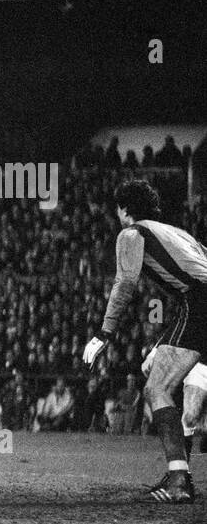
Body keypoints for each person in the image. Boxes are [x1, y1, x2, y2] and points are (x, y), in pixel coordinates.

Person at [83, 180, 207, 502]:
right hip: (196, 303)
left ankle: (179, 481)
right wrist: (160, 344)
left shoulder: (132, 233)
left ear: (124, 210)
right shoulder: (177, 233)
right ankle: (180, 475)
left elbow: (125, 282)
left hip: (201, 302)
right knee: (181, 395)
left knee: (157, 388)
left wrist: (104, 333)